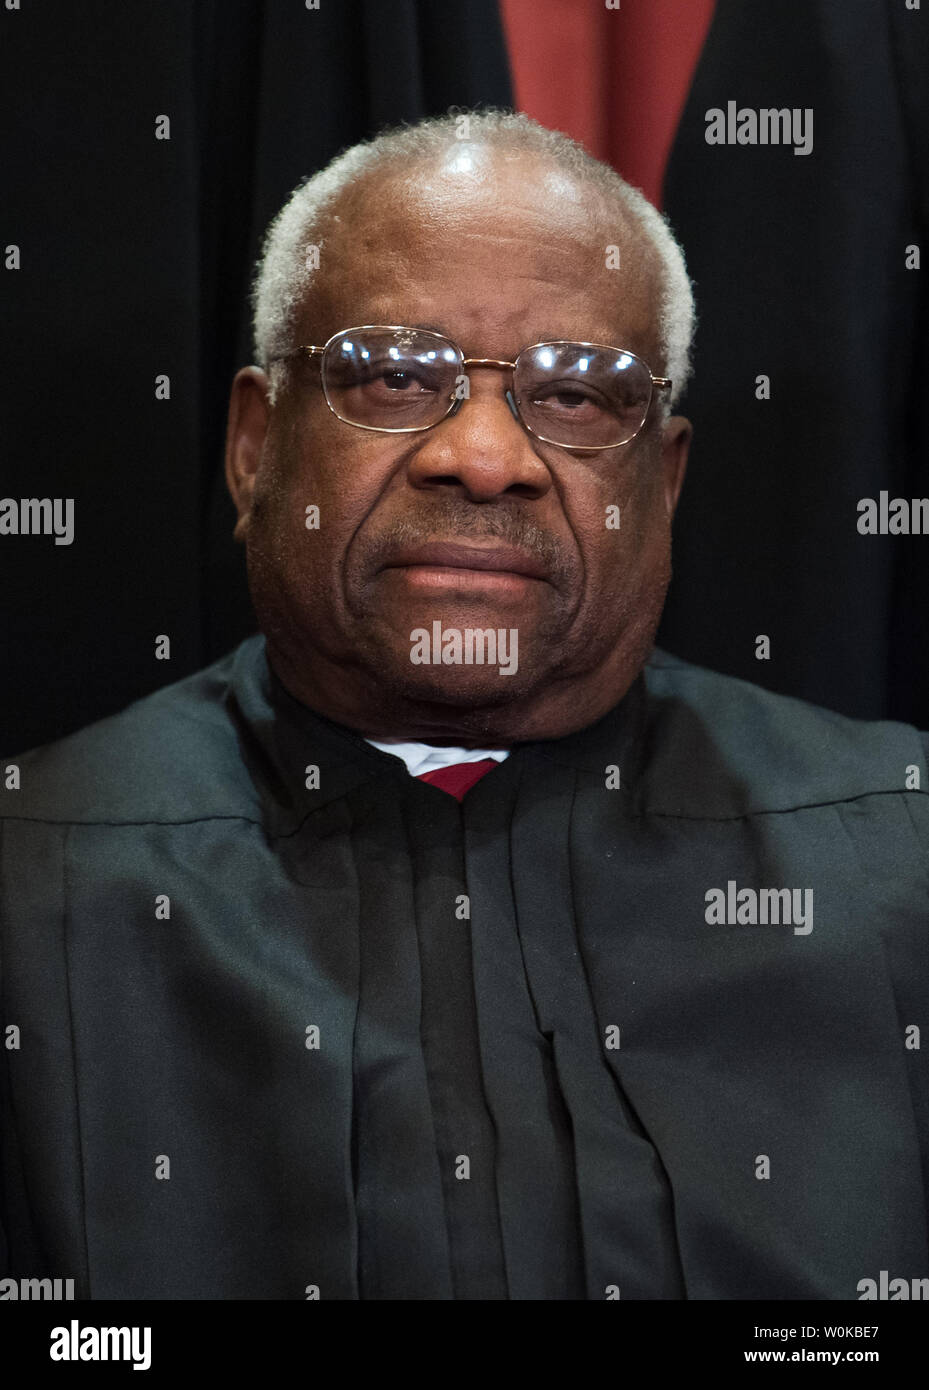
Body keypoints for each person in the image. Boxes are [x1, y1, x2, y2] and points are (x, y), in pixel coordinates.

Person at [1, 110, 926, 1302]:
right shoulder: (34, 890)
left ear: (665, 481)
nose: (484, 455)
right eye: (391, 373)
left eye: (580, 394)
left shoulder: (894, 857)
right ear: (252, 444)